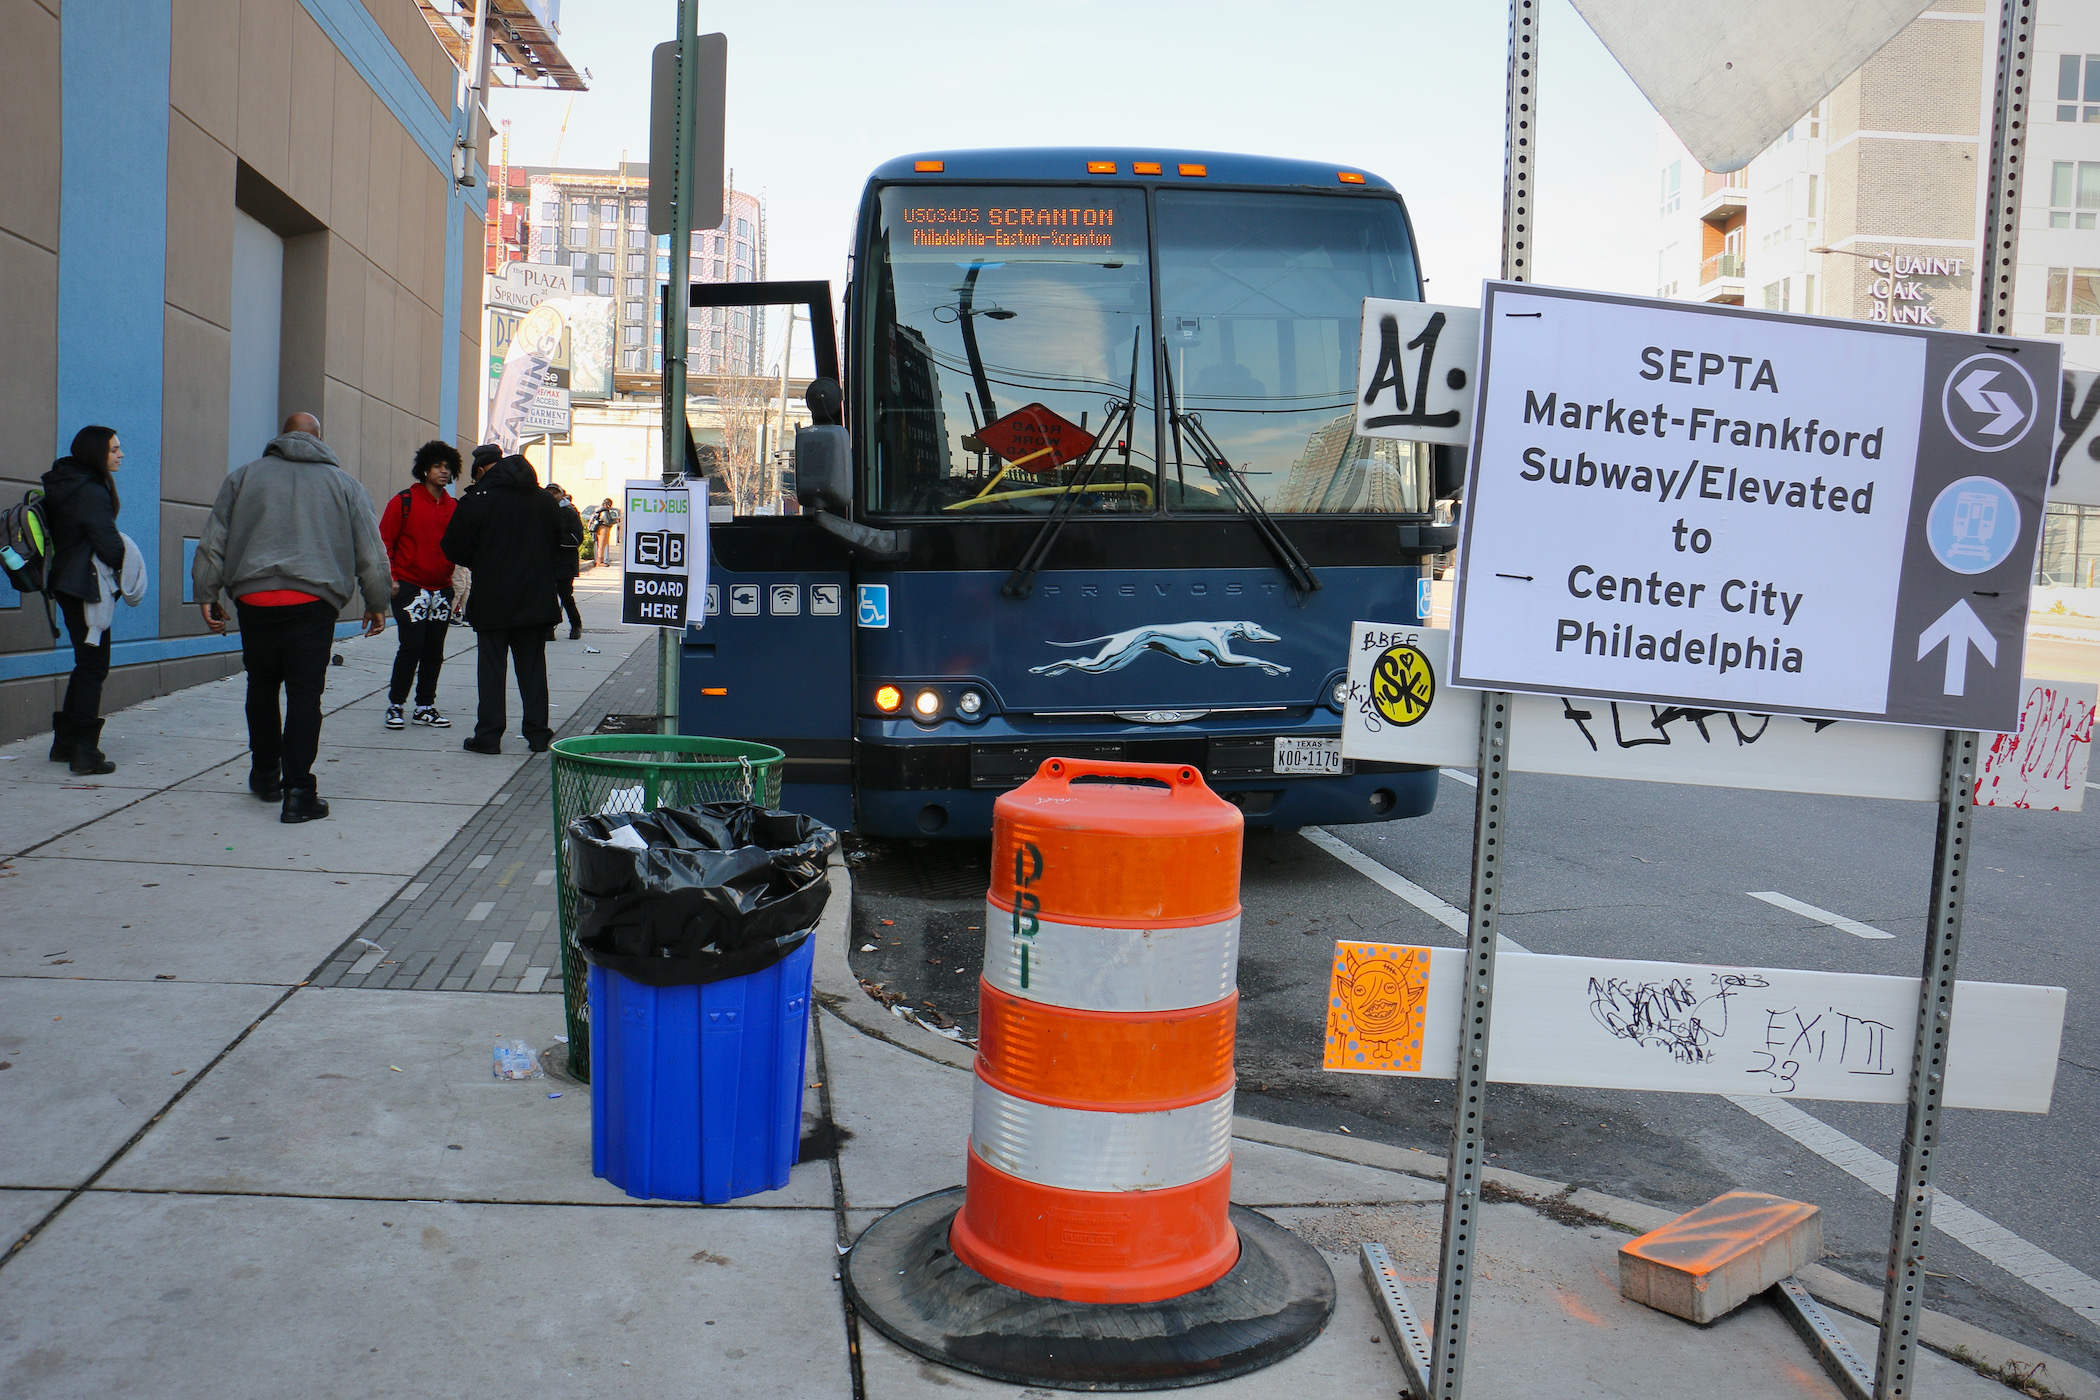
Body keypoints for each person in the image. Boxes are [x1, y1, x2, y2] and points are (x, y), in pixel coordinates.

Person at [193, 413, 389, 823]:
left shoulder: (243, 477)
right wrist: (376, 600)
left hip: (254, 599)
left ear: (281, 437)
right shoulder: (345, 485)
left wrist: (207, 592)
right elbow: (371, 549)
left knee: (261, 686)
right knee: (304, 694)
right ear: (320, 439)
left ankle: (265, 774)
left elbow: (214, 540)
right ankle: (299, 791)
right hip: (313, 603)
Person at [442, 452, 581, 754]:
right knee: (532, 667)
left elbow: (452, 546)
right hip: (536, 596)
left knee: (491, 668)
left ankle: (489, 735)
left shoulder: (479, 499)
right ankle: (538, 733)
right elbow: (555, 542)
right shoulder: (546, 501)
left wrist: (480, 560)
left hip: (493, 596)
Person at [41, 426, 130, 775]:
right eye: (114, 449)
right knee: (95, 666)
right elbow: (107, 543)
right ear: (97, 453)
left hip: (66, 583)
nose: (120, 455)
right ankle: (84, 752)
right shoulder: (92, 491)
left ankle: (65, 743)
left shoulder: (65, 484)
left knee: (85, 662)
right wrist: (129, 566)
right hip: (86, 586)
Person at [378, 441, 461, 730]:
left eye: (448, 467)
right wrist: (391, 578)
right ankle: (396, 704)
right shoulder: (403, 501)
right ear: (424, 469)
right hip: (409, 587)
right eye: (438, 466)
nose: (443, 471)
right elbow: (384, 541)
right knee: (411, 646)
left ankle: (425, 706)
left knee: (434, 650)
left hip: (441, 588)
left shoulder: (454, 507)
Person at [449, 444, 502, 625]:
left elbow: (457, 542)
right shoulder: (533, 499)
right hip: (518, 597)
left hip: (487, 581)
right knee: (461, 585)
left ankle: (462, 613)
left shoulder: (475, 500)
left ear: (480, 470)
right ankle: (460, 614)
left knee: (464, 585)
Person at [546, 482, 584, 641]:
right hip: (547, 562)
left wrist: (556, 539)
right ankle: (549, 627)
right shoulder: (542, 510)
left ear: (561, 495)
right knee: (548, 597)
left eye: (555, 493)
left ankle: (576, 624)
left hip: (565, 563)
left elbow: (577, 538)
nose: (552, 496)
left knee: (566, 596)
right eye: (549, 493)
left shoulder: (569, 512)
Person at [592, 496, 621, 567]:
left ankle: (600, 560)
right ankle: (599, 561)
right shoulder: (604, 511)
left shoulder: (602, 510)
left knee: (602, 545)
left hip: (603, 528)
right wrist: (616, 520)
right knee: (601, 545)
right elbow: (607, 521)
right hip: (603, 529)